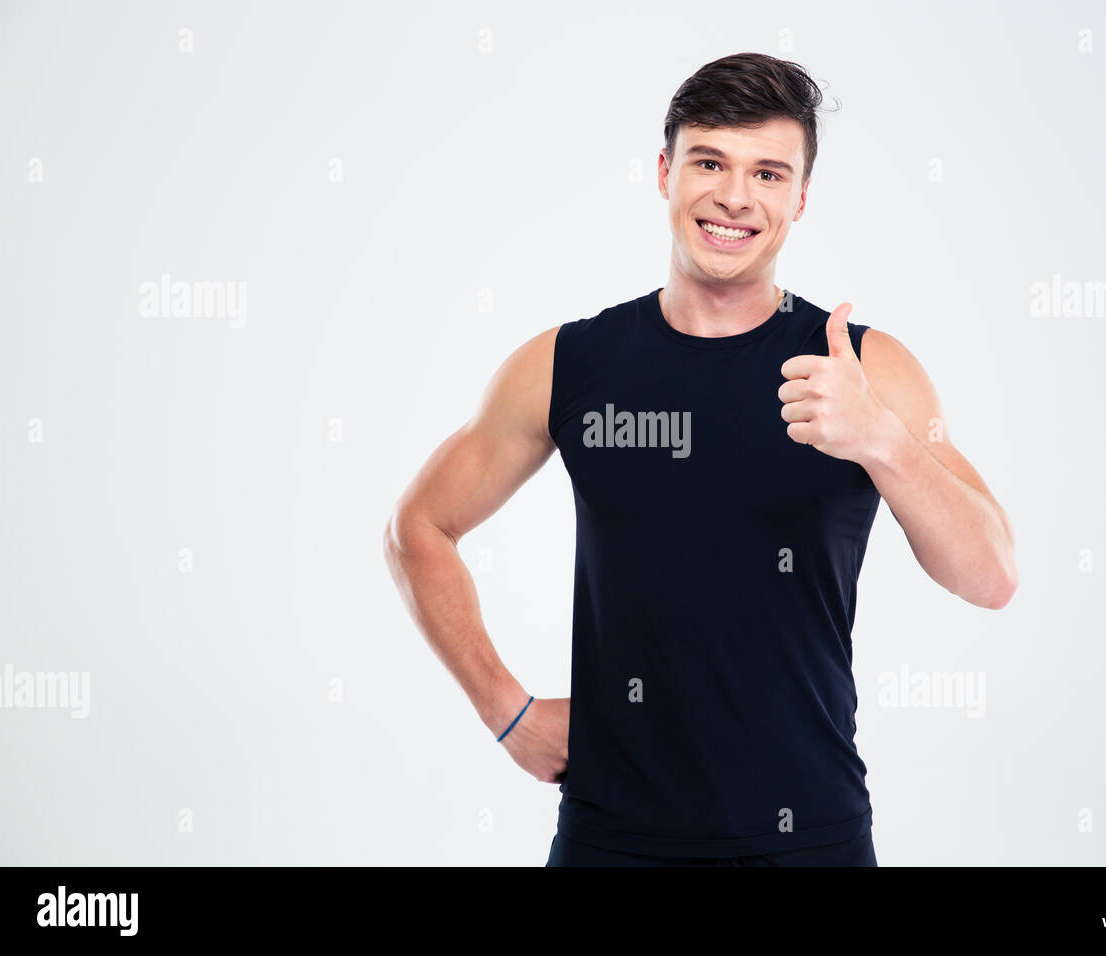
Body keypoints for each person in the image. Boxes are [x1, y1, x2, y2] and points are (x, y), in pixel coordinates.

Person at [383, 52, 1017, 867]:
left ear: (800, 198)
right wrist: (505, 711)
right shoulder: (568, 364)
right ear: (665, 172)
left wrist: (880, 441)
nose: (734, 197)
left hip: (809, 837)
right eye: (709, 162)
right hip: (611, 839)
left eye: (768, 173)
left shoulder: (866, 368)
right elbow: (419, 528)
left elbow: (991, 574)